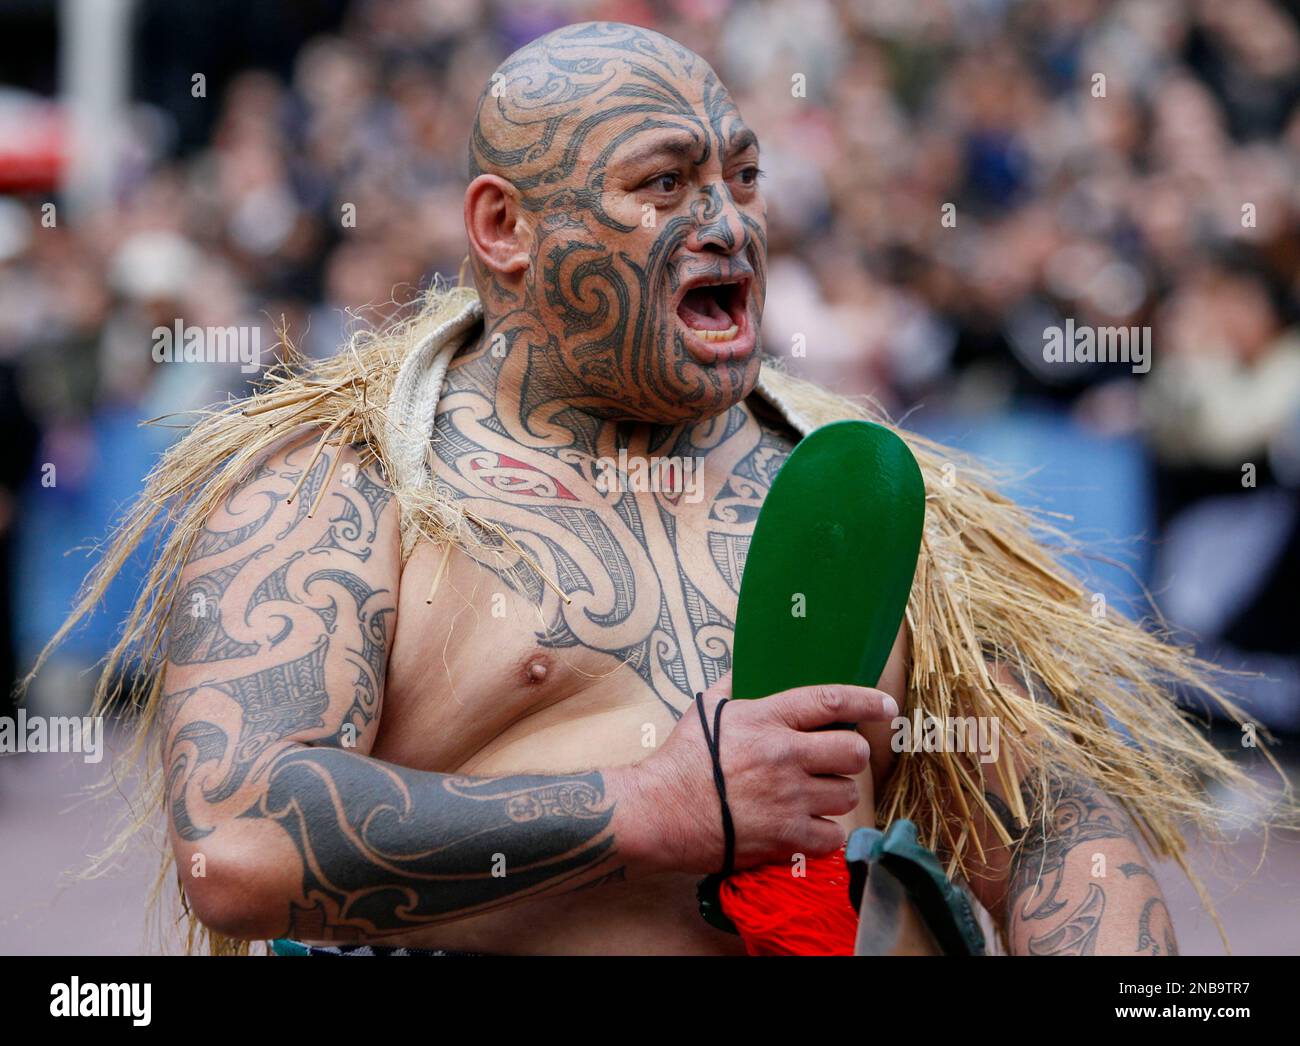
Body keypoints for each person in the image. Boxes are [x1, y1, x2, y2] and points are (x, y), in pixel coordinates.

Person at [33, 22, 1281, 956]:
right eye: (664, 183)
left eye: (740, 175)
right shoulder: (340, 485)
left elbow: (1054, 829)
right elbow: (238, 841)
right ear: (504, 226)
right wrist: (645, 806)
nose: (728, 221)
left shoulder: (864, 493)